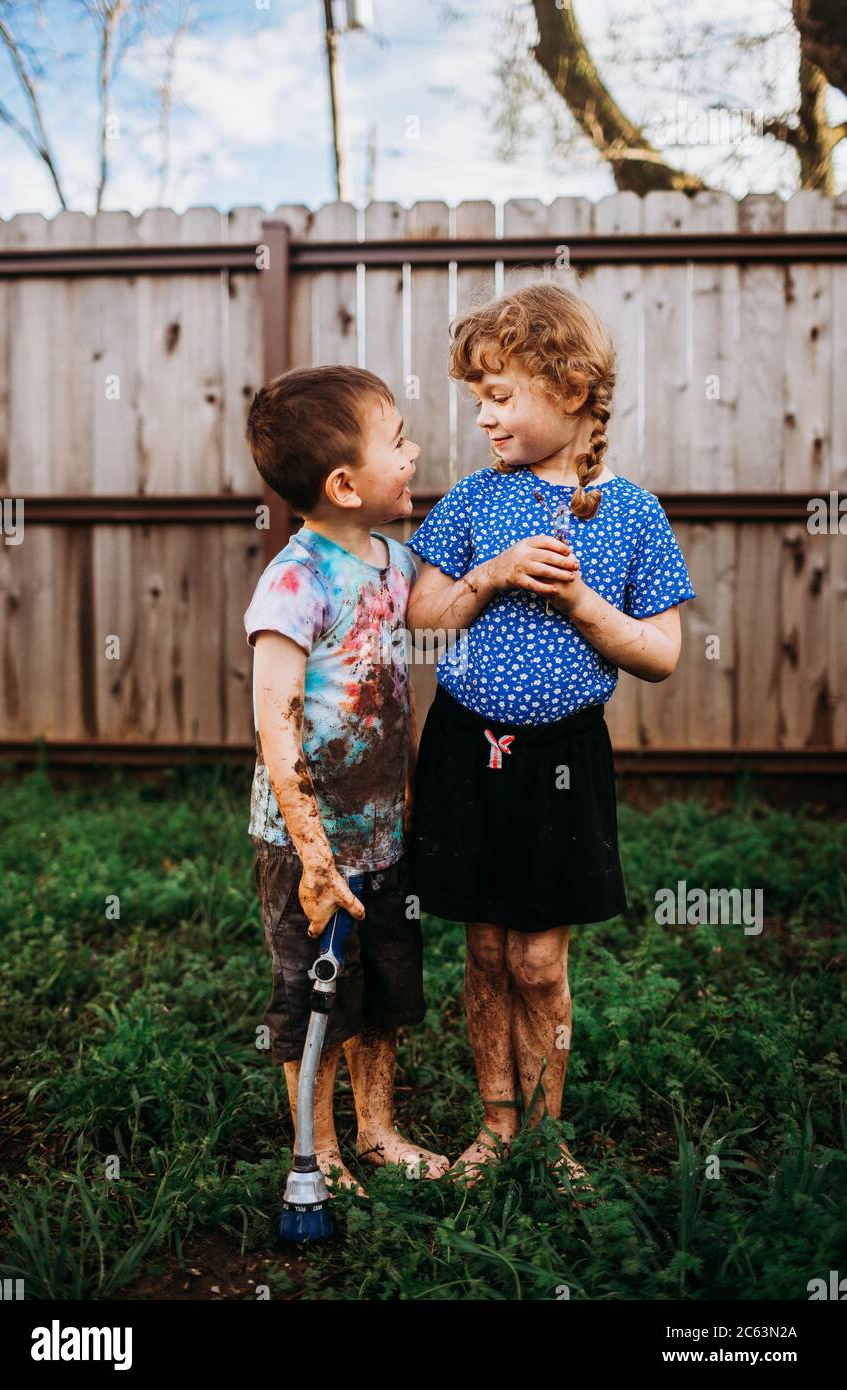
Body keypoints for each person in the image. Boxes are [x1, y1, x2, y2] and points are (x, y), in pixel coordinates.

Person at [405, 282, 697, 1194]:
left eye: (500, 396)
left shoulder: (632, 513)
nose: (484, 418)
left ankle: (546, 1134)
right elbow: (422, 622)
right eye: (477, 400)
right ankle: (497, 1127)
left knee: (537, 959)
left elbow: (661, 654)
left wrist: (579, 601)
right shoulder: (472, 501)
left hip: (563, 761)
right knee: (486, 949)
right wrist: (490, 574)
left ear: (571, 391)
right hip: (465, 748)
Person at [244, 364, 449, 1194]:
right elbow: (276, 724)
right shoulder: (295, 582)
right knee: (317, 997)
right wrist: (314, 854)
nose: (414, 452)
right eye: (397, 442)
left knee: (387, 990)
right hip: (309, 849)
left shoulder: (394, 563)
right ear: (344, 484)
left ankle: (376, 1132)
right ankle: (318, 1145)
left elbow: (408, 673)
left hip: (383, 834)